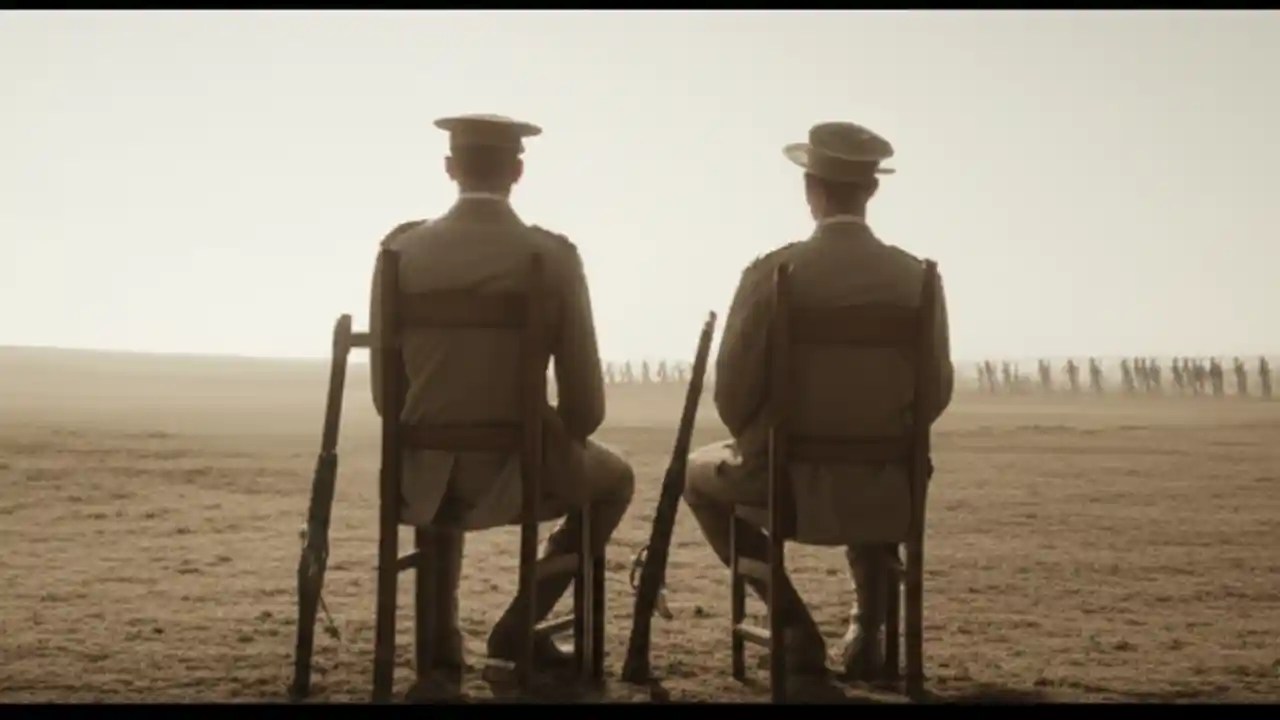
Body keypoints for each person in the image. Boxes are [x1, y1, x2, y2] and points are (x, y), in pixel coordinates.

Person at [367, 114, 635, 692]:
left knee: (440, 490)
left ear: (449, 169)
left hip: (422, 470)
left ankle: (438, 659)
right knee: (615, 481)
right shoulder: (551, 256)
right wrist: (548, 437)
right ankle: (520, 624)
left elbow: (385, 396)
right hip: (522, 470)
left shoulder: (400, 250)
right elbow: (586, 406)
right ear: (518, 170)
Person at [682, 121, 953, 681]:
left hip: (786, 485)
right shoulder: (917, 279)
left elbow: (732, 397)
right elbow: (934, 393)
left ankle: (790, 625)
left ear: (812, 189)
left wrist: (770, 438)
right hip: (887, 487)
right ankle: (869, 629)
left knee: (693, 479)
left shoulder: (773, 272)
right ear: (871, 190)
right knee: (872, 453)